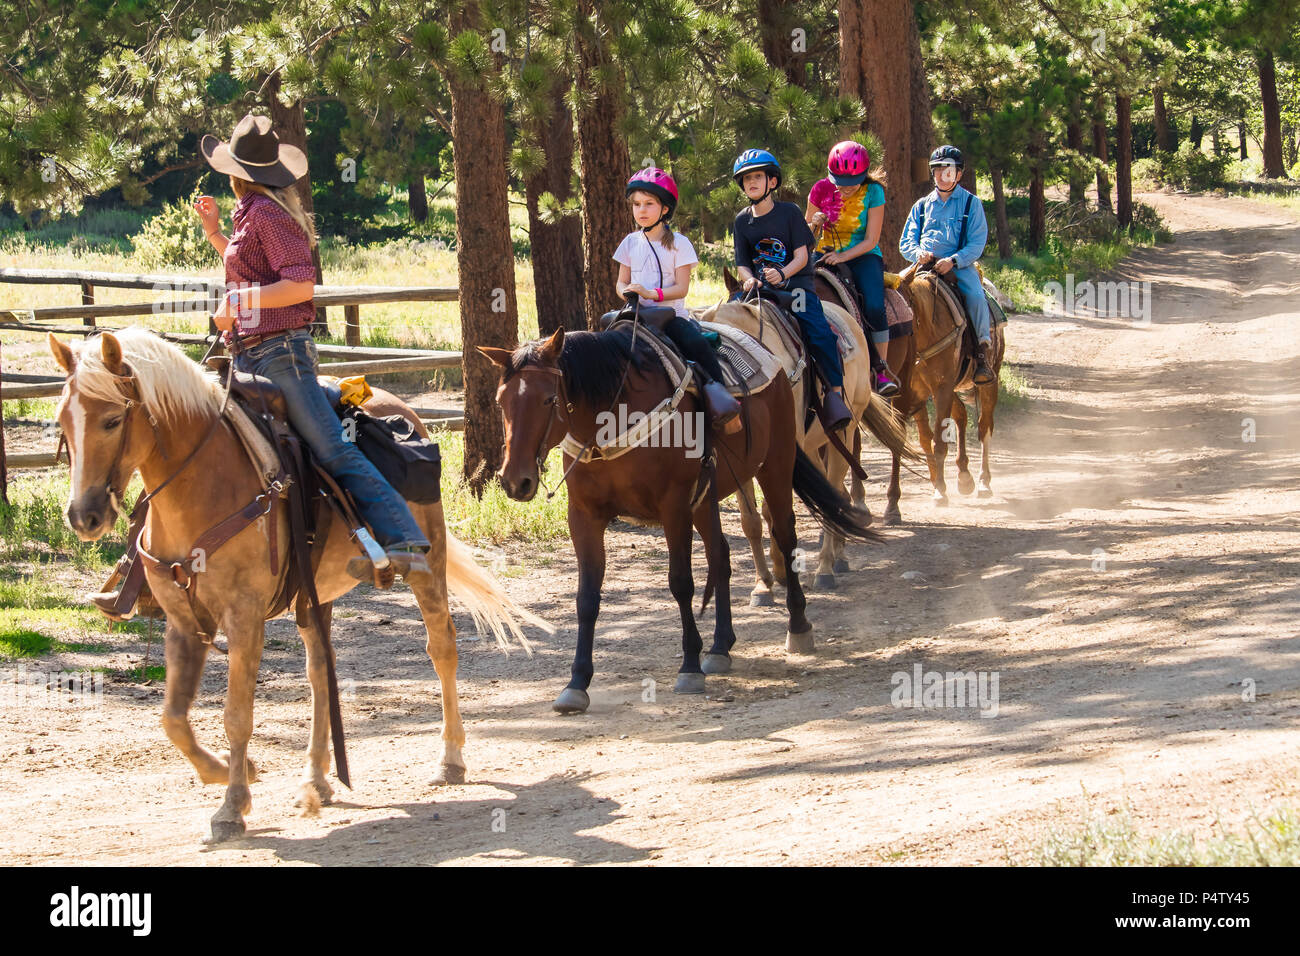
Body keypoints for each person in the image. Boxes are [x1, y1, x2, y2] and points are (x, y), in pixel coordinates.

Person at [193, 113, 432, 584]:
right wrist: (215, 233)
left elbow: (300, 286)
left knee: (333, 449)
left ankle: (405, 541)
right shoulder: (254, 213)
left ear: (238, 172)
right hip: (254, 354)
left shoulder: (265, 214)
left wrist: (238, 302)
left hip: (279, 355)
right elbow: (253, 269)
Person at [731, 149, 853, 430]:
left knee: (819, 332)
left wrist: (782, 273)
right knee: (728, 324)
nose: (751, 183)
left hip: (795, 286)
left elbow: (802, 256)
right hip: (760, 290)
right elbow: (742, 263)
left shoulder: (789, 212)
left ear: (772, 182)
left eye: (757, 177)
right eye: (747, 178)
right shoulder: (741, 220)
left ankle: (835, 394)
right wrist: (749, 278)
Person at [613, 167, 741, 431]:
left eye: (649, 204)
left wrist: (652, 294)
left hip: (669, 317)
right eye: (637, 204)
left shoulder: (680, 243)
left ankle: (723, 403)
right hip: (634, 315)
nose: (641, 210)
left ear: (665, 209)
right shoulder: (629, 242)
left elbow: (682, 289)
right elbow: (620, 281)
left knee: (697, 344)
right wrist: (627, 292)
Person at [807, 140, 900, 397]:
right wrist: (814, 223)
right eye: (841, 184)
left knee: (873, 305)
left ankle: (880, 369)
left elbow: (872, 239)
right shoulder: (819, 190)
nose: (846, 190)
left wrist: (843, 256)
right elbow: (805, 236)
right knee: (798, 296)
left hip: (863, 255)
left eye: (853, 184)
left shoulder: (874, 192)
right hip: (823, 253)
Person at [899, 144, 995, 385]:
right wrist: (918, 253)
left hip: (958, 267)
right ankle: (890, 357)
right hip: (922, 267)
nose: (942, 175)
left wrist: (954, 260)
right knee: (894, 293)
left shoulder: (971, 204)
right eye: (937, 170)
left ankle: (982, 354)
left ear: (959, 174)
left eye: (948, 171)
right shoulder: (921, 206)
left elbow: (976, 243)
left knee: (975, 296)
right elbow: (906, 241)